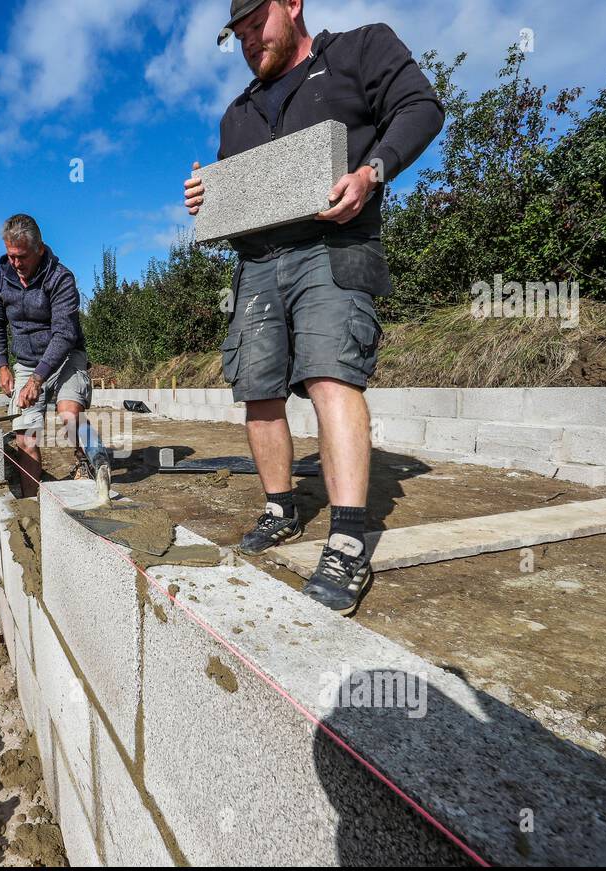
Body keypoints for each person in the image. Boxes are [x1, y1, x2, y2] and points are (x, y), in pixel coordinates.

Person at [184, 0, 443, 615]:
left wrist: (371, 172)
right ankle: (280, 506)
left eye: (257, 25)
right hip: (256, 264)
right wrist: (207, 196)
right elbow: (242, 193)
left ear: (291, 5)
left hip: (333, 246)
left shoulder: (358, 50)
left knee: (331, 374)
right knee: (258, 386)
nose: (249, 41)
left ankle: (348, 537)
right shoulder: (237, 113)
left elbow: (422, 107)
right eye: (239, 34)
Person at [0, 214, 92, 492]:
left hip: (65, 356)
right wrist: (2, 365)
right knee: (25, 439)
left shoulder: (60, 278)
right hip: (26, 361)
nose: (16, 263)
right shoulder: (1, 278)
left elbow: (64, 334)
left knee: (69, 415)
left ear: (40, 249)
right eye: (11, 256)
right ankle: (34, 504)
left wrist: (37, 380)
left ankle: (87, 461)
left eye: (22, 256)